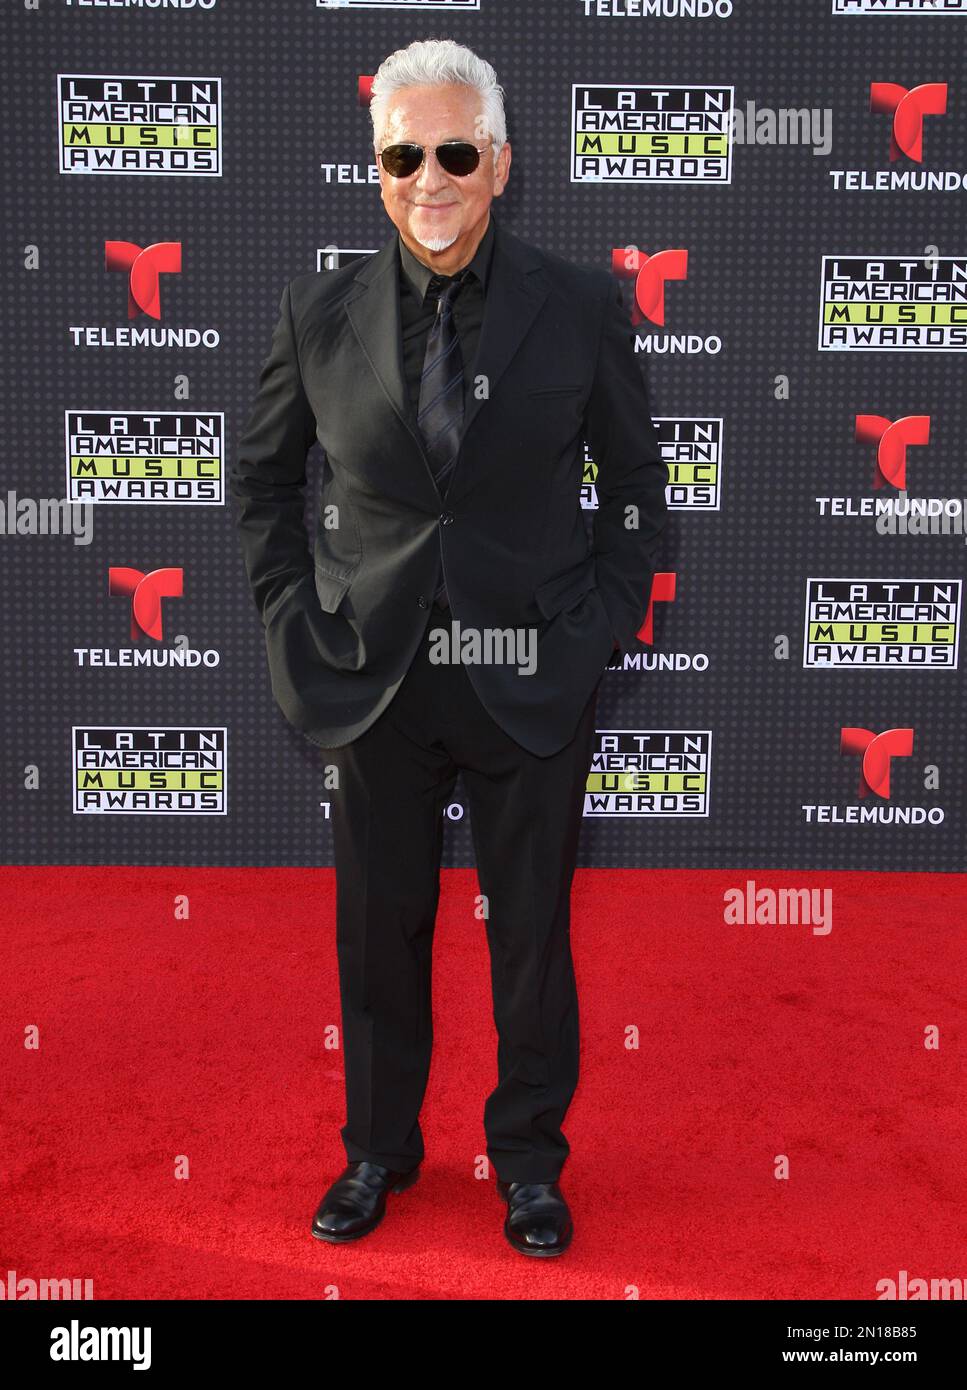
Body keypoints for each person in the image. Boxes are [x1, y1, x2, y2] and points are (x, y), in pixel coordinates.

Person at [230, 37, 667, 1258]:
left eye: (455, 152)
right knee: (377, 928)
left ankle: (528, 1161)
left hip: (532, 676)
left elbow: (637, 490)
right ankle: (377, 1150)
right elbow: (262, 481)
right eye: (403, 154)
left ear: (500, 164)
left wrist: (591, 634)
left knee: (530, 933)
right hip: (374, 678)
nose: (430, 177)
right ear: (377, 168)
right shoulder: (318, 311)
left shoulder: (577, 305)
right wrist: (291, 617)